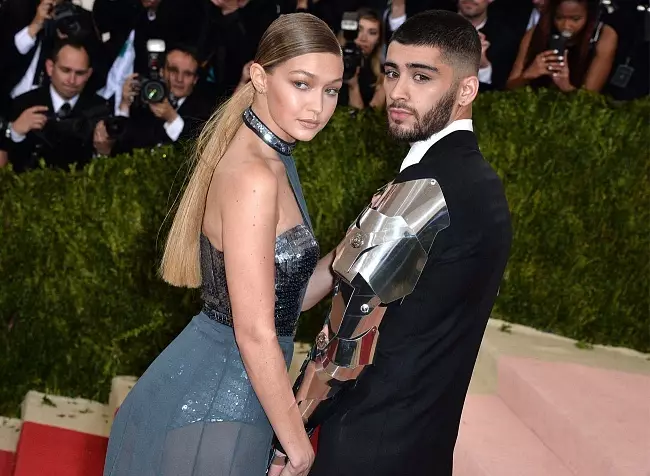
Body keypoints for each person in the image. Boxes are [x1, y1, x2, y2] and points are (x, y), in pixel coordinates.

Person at [103, 13, 343, 476]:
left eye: (330, 89)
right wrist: (299, 446)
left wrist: (354, 246)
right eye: (301, 83)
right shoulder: (255, 174)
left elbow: (286, 302)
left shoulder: (274, 157)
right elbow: (254, 332)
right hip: (215, 404)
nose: (317, 105)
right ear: (258, 76)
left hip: (239, 395)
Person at [278, 10, 512, 476]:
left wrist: (289, 433)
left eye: (421, 77)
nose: (398, 93)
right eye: (392, 72)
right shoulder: (481, 184)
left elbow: (342, 352)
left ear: (467, 89)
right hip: (425, 443)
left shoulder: (426, 191)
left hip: (369, 444)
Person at [506, 0, 618, 92]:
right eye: (559, 18)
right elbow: (509, 87)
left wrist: (566, 86)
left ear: (589, 16)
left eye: (575, 19)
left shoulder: (604, 36)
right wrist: (529, 74)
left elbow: (589, 99)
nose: (566, 26)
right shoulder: (537, 32)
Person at [338, 8, 386, 110]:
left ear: (378, 40)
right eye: (359, 30)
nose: (363, 38)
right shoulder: (330, 63)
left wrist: (353, 86)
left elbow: (365, 123)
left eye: (372, 32)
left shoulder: (382, 76)